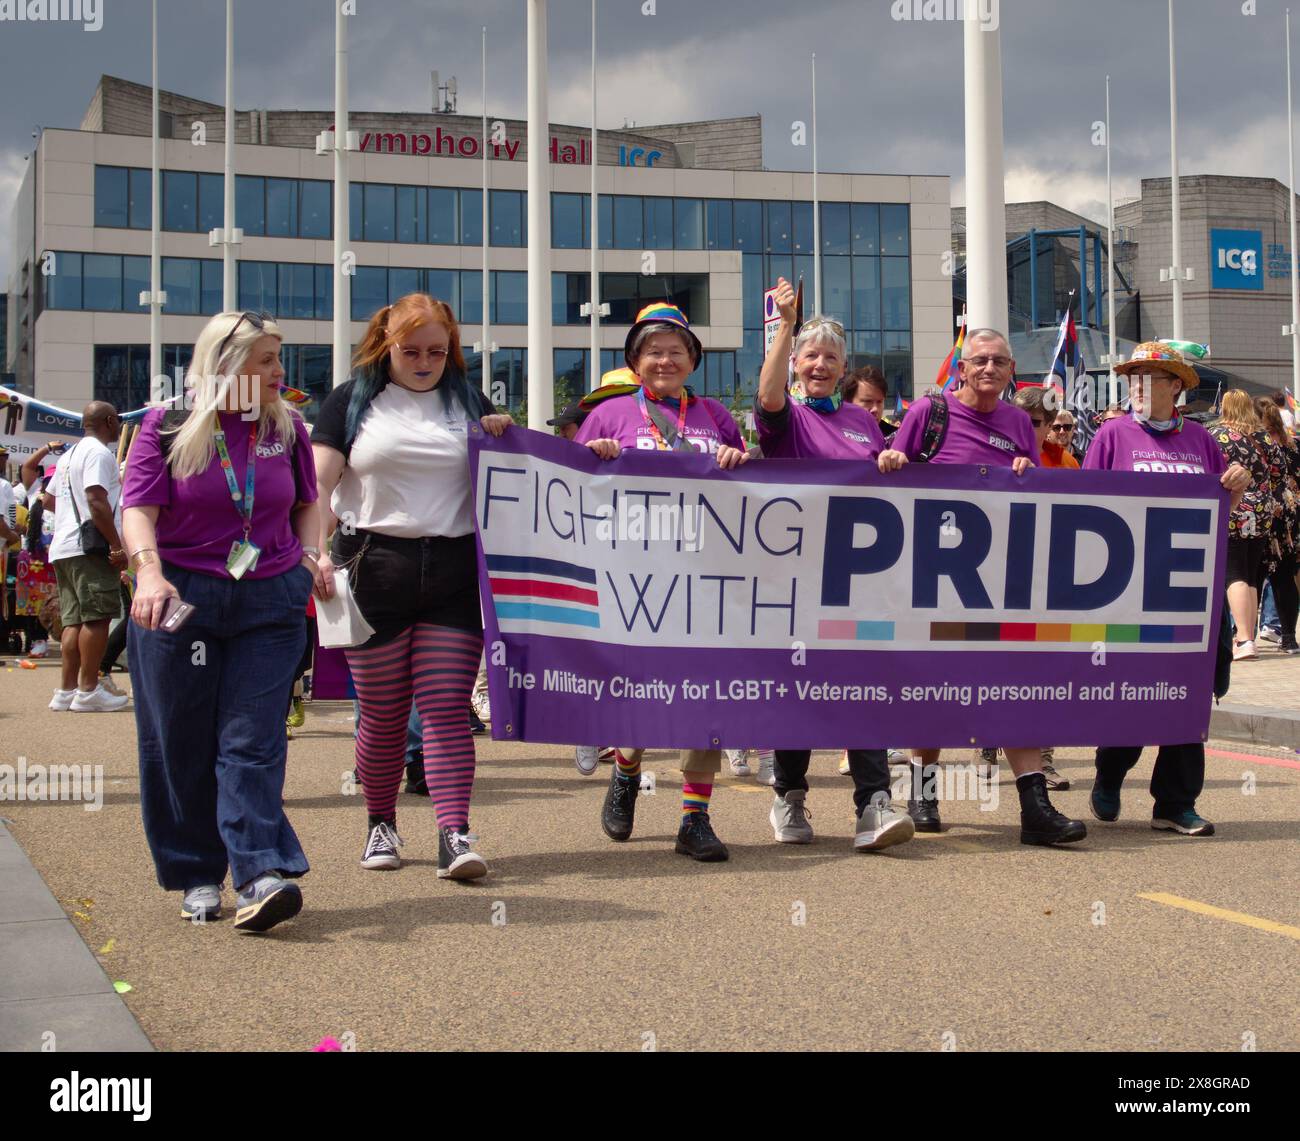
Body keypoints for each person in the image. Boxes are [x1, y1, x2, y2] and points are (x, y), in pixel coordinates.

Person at [122, 310, 321, 931]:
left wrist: (312, 556)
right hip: (183, 602)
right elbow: (137, 510)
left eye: (277, 360)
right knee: (179, 741)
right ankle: (196, 871)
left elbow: (310, 504)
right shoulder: (167, 427)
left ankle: (259, 871)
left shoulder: (286, 428)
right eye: (266, 361)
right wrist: (149, 573)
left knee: (252, 740)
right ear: (227, 365)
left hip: (270, 601)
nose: (278, 372)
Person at [312, 293, 511, 880]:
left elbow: (506, 480)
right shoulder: (350, 401)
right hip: (373, 567)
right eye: (411, 350)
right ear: (385, 344)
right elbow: (320, 490)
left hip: (451, 571)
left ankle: (454, 832)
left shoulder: (468, 400)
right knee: (383, 713)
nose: (425, 361)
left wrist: (501, 433)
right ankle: (381, 822)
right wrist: (314, 554)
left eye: (437, 351)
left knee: (447, 708)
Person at [877, 328, 1087, 846]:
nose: (989, 368)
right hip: (936, 577)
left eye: (999, 361)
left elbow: (1040, 495)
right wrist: (893, 462)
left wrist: (1026, 469)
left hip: (1003, 581)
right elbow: (890, 481)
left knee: (1016, 688)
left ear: (1010, 370)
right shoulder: (929, 413)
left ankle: (1035, 809)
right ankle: (922, 792)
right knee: (932, 687)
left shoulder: (1020, 421)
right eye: (980, 360)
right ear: (962, 368)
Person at [575, 302, 749, 861]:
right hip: (635, 578)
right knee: (643, 690)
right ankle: (626, 768)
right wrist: (594, 457)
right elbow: (571, 491)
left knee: (707, 694)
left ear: (693, 360)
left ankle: (694, 818)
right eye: (653, 351)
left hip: (707, 576)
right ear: (635, 362)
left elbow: (749, 486)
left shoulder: (716, 414)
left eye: (677, 350)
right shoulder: (609, 415)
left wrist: (735, 458)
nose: (665, 359)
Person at [754, 277, 912, 851]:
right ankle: (789, 797)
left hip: (857, 578)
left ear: (843, 369)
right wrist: (784, 328)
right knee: (802, 692)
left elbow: (880, 479)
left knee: (860, 686)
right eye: (811, 356)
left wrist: (891, 458)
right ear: (796, 362)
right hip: (793, 578)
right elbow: (769, 398)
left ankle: (874, 805)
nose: (821, 364)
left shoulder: (862, 421)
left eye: (831, 358)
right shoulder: (785, 415)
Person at [1085, 342, 1250, 836]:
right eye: (1132, 377)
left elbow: (1223, 514)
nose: (1137, 385)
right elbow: (1084, 506)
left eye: (1149, 377)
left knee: (1188, 693)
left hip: (1188, 593)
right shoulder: (1112, 435)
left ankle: (1175, 803)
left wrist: (1235, 488)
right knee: (1133, 693)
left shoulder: (1200, 440)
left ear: (1175, 385)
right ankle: (1110, 773)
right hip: (1126, 590)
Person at [44, 402, 130, 713]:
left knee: (73, 622)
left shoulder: (68, 455)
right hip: (89, 549)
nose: (120, 425)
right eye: (117, 420)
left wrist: (71, 514)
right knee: (97, 618)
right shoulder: (99, 453)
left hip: (64, 547)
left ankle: (67, 690)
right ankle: (89, 688)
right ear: (109, 420)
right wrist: (116, 545)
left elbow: (48, 500)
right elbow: (96, 499)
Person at [1209, 391, 1280, 661]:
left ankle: (1244, 639)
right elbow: (1278, 471)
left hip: (1236, 508)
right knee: (1251, 575)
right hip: (1263, 510)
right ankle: (1248, 636)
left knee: (1233, 573)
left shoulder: (1217, 436)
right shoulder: (1263, 437)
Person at [1255, 397, 1300, 653]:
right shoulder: (1291, 445)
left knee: (1251, 579)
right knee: (1284, 578)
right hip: (1288, 520)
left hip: (1260, 516)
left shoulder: (1254, 445)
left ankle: (1244, 638)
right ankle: (1290, 637)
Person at [841, 366, 898, 435]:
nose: (875, 409)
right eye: (868, 401)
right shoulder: (834, 435)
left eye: (879, 402)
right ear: (848, 403)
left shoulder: (895, 438)